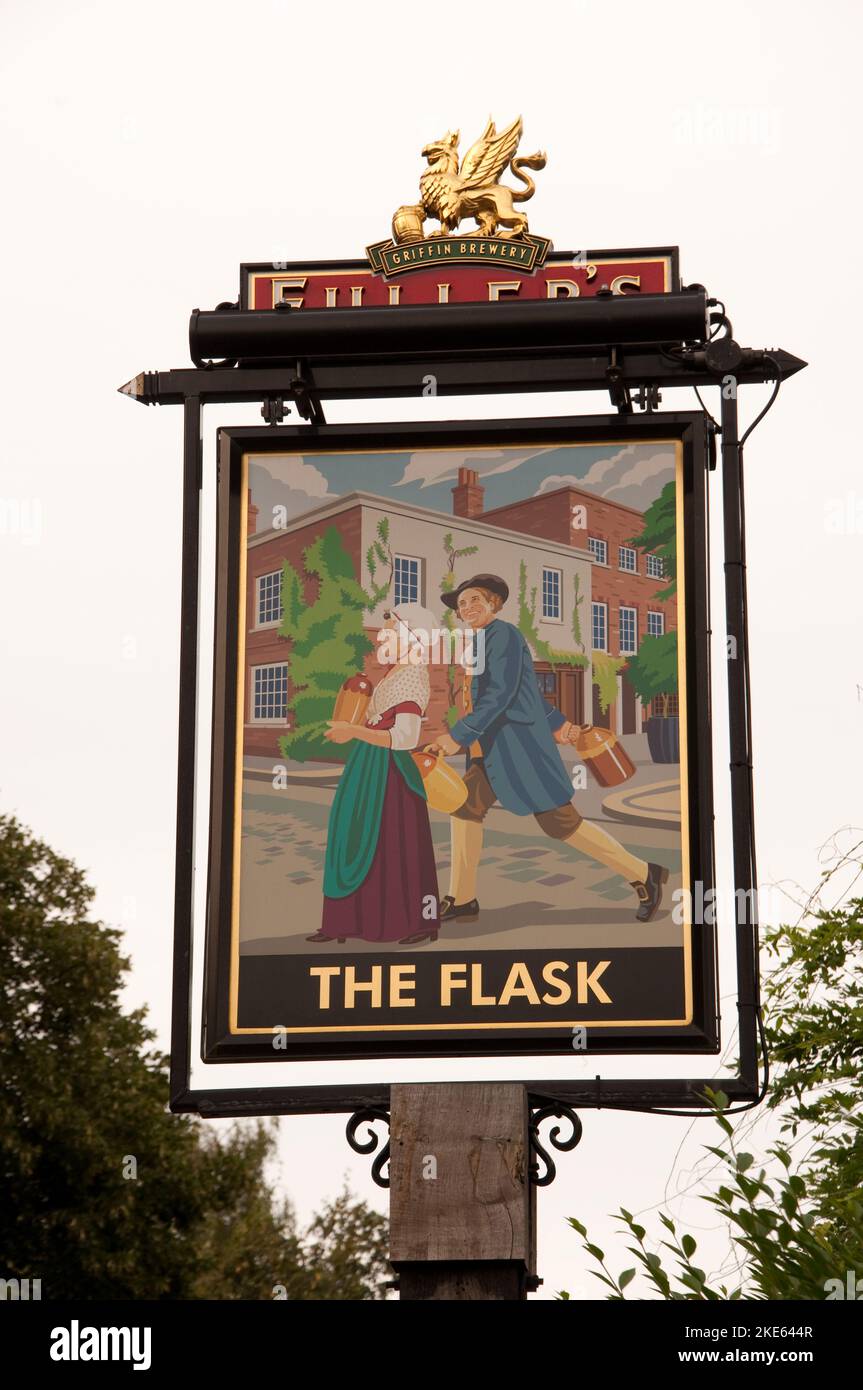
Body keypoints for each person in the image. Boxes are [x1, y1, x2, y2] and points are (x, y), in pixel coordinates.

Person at [427, 575, 668, 924]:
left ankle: (643, 872)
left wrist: (458, 736)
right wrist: (560, 724)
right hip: (492, 749)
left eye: (475, 600)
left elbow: (502, 694)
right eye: (462, 604)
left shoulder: (503, 635)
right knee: (464, 807)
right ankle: (462, 898)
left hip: (519, 747)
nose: (467, 609)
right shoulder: (482, 640)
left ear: (494, 602)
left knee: (560, 822)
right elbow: (527, 692)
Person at [307, 603, 441, 946]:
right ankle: (345, 922)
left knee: (389, 845)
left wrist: (354, 732)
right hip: (368, 768)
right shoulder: (392, 674)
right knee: (352, 835)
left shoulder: (412, 676)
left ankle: (410, 923)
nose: (382, 637)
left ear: (413, 640)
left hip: (390, 776)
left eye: (391, 632)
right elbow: (377, 720)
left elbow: (405, 738)